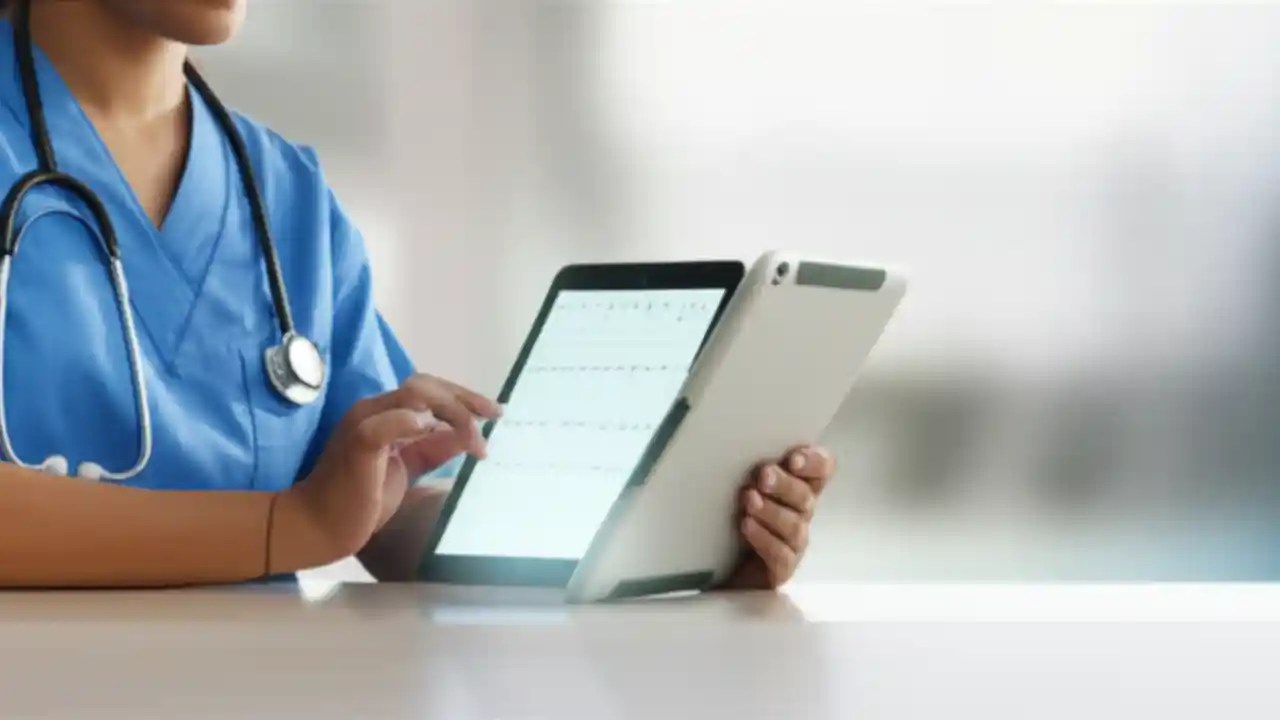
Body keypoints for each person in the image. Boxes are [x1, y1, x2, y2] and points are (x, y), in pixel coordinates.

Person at [0, 0, 836, 589]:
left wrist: (657, 547)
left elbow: (374, 513)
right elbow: (315, 520)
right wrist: (287, 528)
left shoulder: (282, 192)